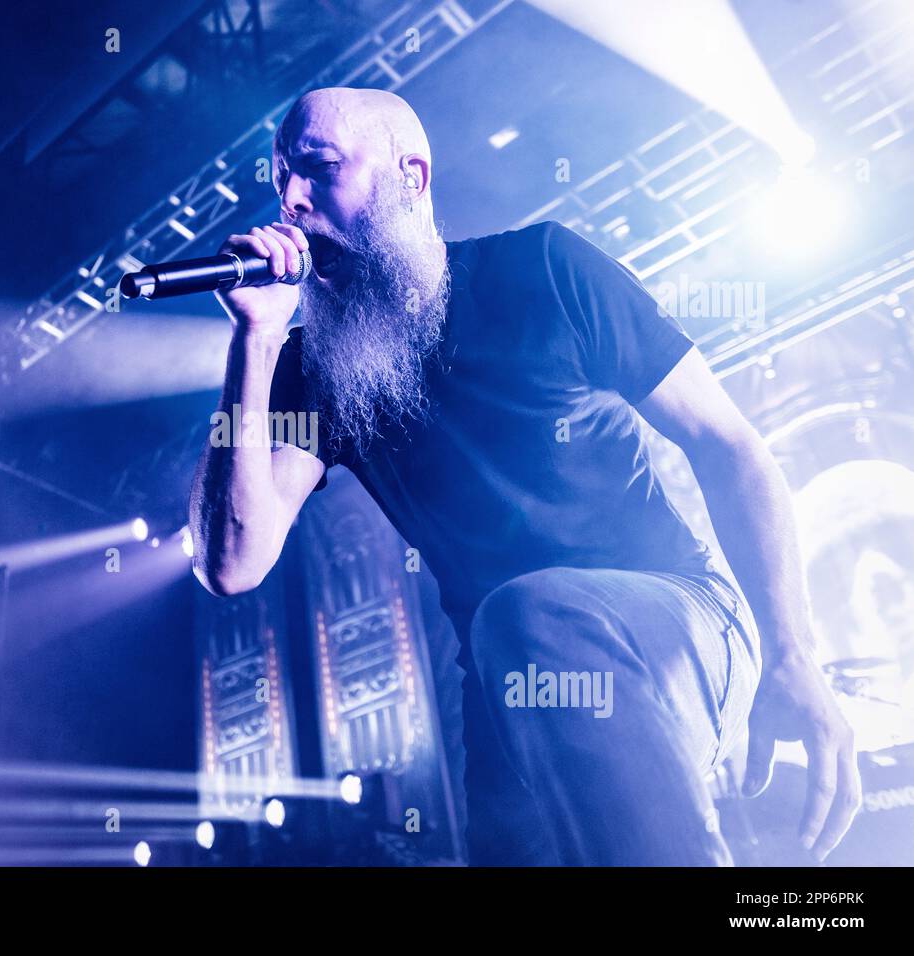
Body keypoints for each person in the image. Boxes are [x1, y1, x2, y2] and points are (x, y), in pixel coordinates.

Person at [187, 86, 861, 865]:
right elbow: (232, 560)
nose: (292, 200)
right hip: (511, 690)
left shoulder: (543, 269)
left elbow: (728, 446)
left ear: (412, 176)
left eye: (320, 168)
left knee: (530, 615)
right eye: (281, 179)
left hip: (672, 620)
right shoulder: (317, 368)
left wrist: (791, 656)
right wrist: (257, 343)